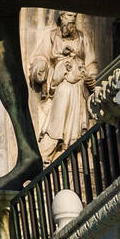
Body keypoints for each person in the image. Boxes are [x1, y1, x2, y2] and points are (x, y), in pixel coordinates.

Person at [29, 11, 96, 162]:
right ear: (61, 17)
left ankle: (74, 154)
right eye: (68, 16)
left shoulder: (83, 37)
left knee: (77, 120)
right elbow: (41, 56)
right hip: (61, 82)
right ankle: (48, 150)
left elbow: (91, 62)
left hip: (79, 83)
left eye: (74, 16)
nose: (71, 19)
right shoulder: (52, 36)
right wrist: (39, 67)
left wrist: (92, 77)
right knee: (57, 118)